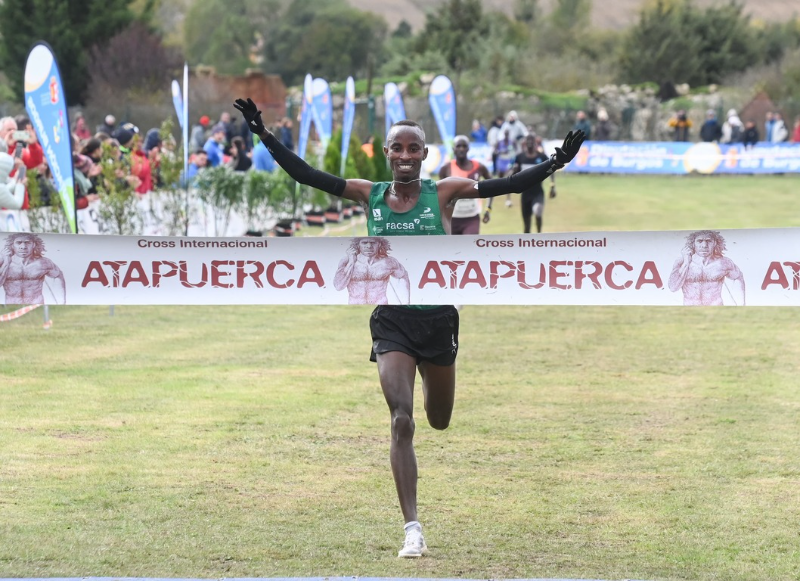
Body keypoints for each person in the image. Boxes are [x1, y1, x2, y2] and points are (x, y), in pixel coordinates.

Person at [233, 95, 585, 559]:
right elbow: (308, 175)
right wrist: (264, 134)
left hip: (438, 321)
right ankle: (412, 529)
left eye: (412, 148)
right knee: (402, 420)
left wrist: (555, 162)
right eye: (396, 148)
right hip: (392, 322)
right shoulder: (369, 194)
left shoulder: (445, 192)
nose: (404, 155)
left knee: (438, 419)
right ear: (386, 152)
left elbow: (507, 184)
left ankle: (430, 389)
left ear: (424, 154)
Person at [668, 230, 745, 306]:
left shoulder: (723, 262)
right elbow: (673, 288)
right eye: (700, 241)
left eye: (709, 241)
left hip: (716, 309)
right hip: (690, 310)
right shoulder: (681, 262)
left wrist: (742, 304)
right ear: (693, 244)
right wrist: (686, 263)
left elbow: (738, 277)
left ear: (715, 243)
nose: (704, 245)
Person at [437, 135, 492, 234]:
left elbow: (492, 187)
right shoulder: (446, 169)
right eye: (458, 146)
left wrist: (488, 208)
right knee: (452, 245)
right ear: (453, 148)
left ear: (468, 148)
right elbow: (440, 194)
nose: (461, 149)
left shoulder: (479, 167)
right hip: (451, 218)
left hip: (472, 218)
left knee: (470, 243)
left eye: (464, 146)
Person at [334, 237, 410, 304]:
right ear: (358, 245)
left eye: (373, 243)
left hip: (380, 305)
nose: (369, 246)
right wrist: (351, 262)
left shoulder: (388, 262)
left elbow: (403, 276)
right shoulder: (346, 261)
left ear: (379, 244)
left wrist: (406, 302)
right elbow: (338, 287)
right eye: (364, 243)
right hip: (355, 306)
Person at [0, 233, 66, 304]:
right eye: (19, 243)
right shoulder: (3, 262)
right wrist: (6, 263)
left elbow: (58, 276)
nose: (23, 247)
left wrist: (62, 302)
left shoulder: (43, 262)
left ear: (34, 245)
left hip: (37, 304)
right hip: (12, 305)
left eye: (27, 243)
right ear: (12, 245)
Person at [512, 134, 556, 233]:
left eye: (532, 141)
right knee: (527, 226)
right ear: (525, 143)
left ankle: (539, 235)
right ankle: (527, 241)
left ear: (535, 143)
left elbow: (552, 168)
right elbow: (513, 176)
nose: (530, 143)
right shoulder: (520, 157)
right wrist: (514, 171)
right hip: (525, 194)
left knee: (538, 213)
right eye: (528, 141)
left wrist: (552, 185)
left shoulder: (542, 156)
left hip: (537, 192)